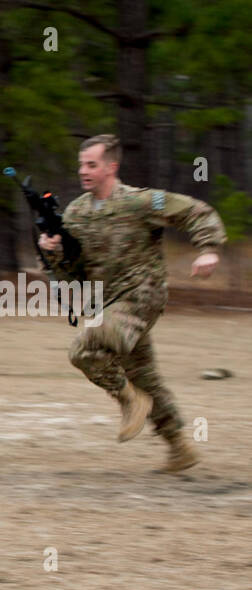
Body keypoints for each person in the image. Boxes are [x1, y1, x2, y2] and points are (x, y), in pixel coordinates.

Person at [39, 134, 226, 473]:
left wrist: (208, 248)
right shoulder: (77, 213)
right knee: (142, 375)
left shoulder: (142, 203)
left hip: (143, 294)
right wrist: (52, 252)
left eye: (91, 164)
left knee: (84, 349)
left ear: (112, 167)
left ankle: (129, 402)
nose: (83, 171)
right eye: (81, 164)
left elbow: (195, 211)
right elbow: (72, 274)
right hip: (109, 303)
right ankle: (179, 447)